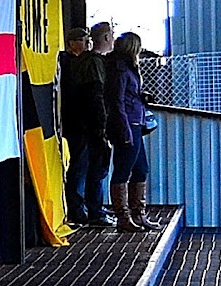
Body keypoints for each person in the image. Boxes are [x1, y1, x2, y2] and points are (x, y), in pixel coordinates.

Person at [105, 30, 158, 232]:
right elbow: (116, 101)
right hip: (127, 125)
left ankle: (138, 214)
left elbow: (122, 96)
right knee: (123, 170)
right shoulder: (120, 68)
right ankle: (124, 217)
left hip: (133, 123)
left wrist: (140, 96)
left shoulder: (124, 67)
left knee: (140, 168)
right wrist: (124, 129)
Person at [59, 28, 100, 226]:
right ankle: (76, 209)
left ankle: (79, 207)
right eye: (84, 40)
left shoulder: (75, 63)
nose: (87, 44)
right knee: (78, 166)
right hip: (76, 121)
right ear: (72, 42)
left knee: (80, 165)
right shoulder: (67, 63)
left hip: (78, 121)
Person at [83, 22, 115, 225]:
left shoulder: (88, 61)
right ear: (105, 38)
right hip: (95, 125)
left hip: (90, 123)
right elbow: (96, 96)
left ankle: (96, 209)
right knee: (98, 168)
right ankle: (96, 212)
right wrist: (103, 125)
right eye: (111, 35)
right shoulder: (95, 63)